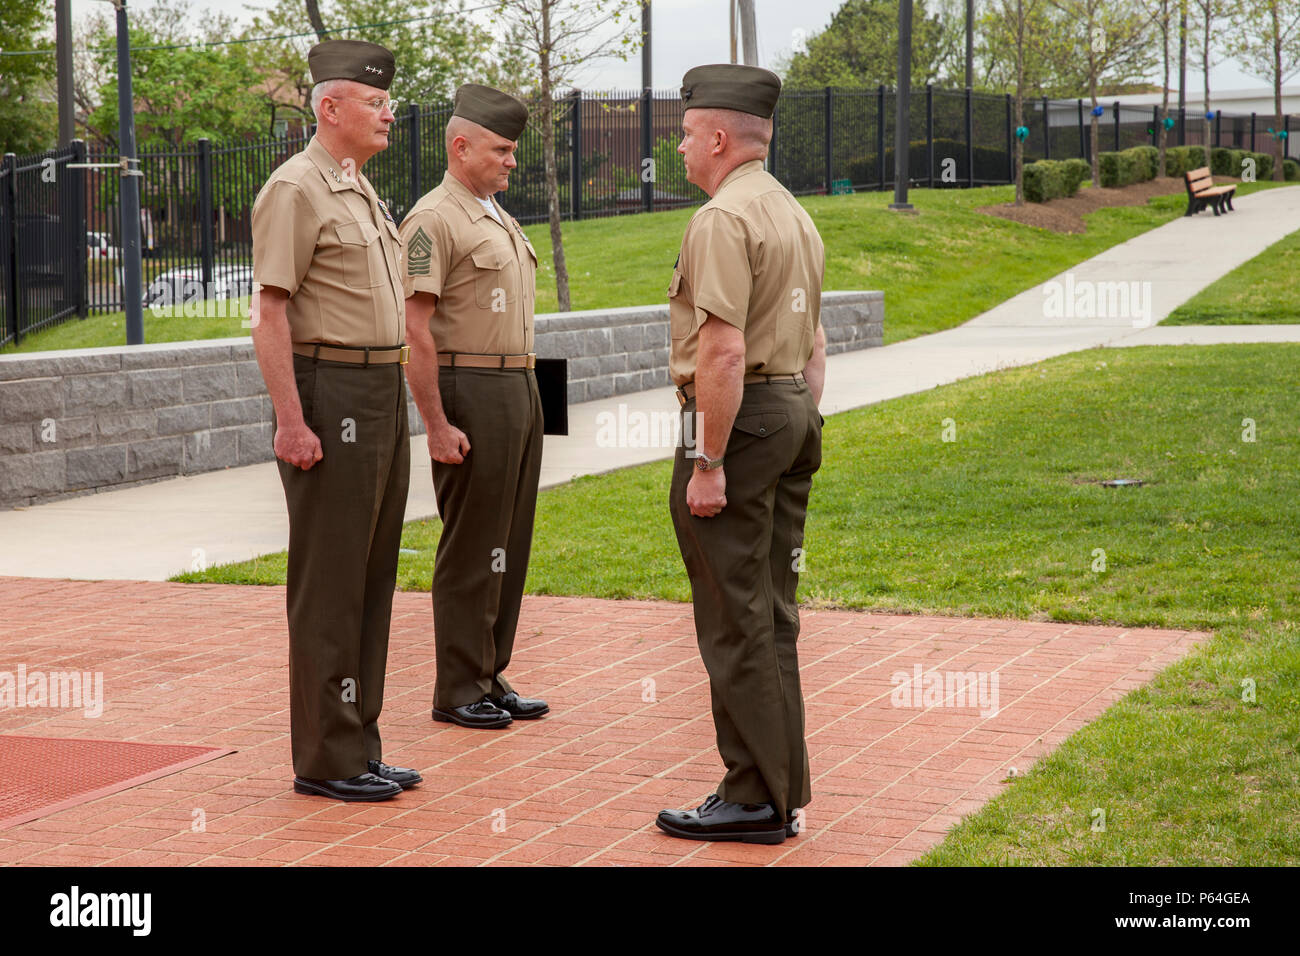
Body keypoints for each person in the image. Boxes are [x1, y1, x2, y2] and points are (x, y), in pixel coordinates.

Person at [655, 64, 828, 844]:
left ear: (719, 137)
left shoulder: (723, 218)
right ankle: (779, 786)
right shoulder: (791, 212)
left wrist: (709, 460)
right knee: (771, 610)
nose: (682, 145)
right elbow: (815, 339)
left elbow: (721, 351)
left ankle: (753, 794)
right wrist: (799, 418)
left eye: (688, 132)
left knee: (733, 616)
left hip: (735, 418)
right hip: (789, 406)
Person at [250, 39, 422, 801]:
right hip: (332, 395)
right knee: (330, 582)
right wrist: (292, 419)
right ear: (331, 107)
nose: (390, 112)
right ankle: (325, 757)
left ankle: (359, 741)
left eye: (388, 101)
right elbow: (269, 314)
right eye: (376, 102)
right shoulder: (296, 189)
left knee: (372, 576)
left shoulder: (357, 188)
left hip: (380, 393)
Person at [399, 84, 549, 730]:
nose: (512, 161)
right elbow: (415, 329)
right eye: (502, 149)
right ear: (461, 147)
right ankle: (457, 686)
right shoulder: (432, 219)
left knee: (509, 540)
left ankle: (489, 674)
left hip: (519, 387)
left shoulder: (497, 216)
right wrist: (434, 422)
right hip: (470, 391)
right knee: (472, 544)